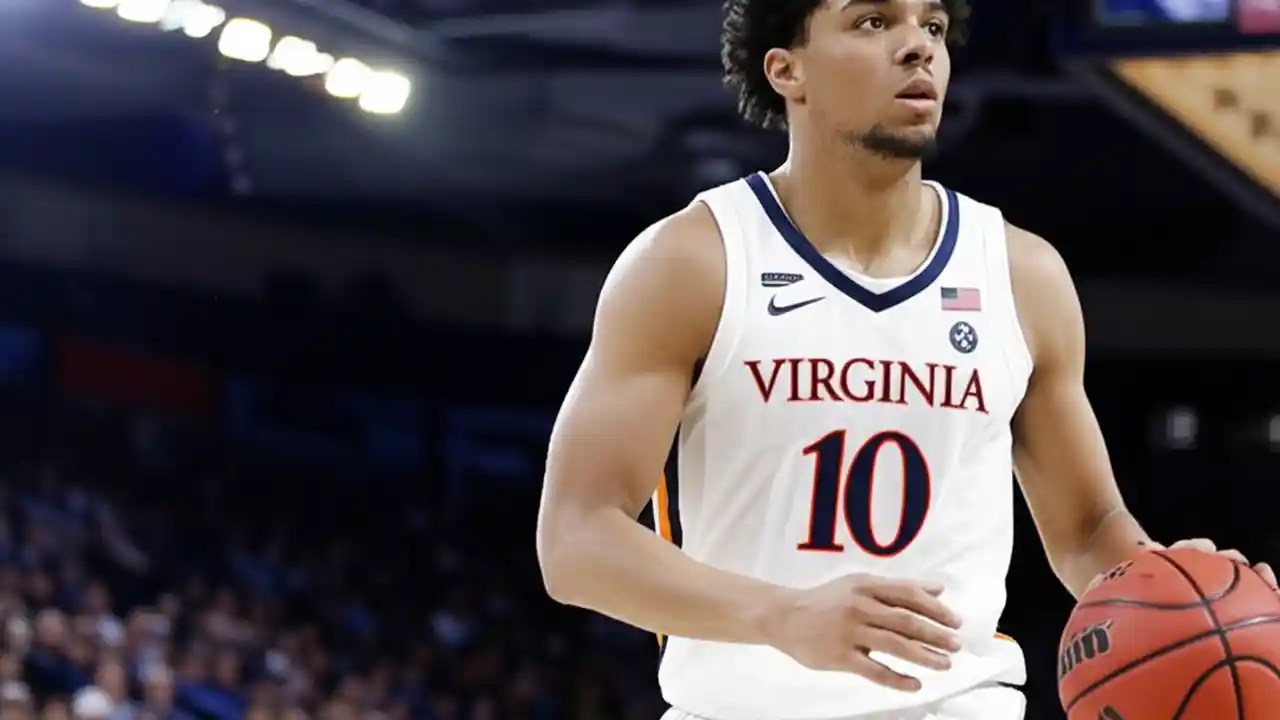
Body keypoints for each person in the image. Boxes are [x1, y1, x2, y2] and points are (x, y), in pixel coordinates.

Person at [535, 1, 1278, 719]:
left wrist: (1183, 593)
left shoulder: (1020, 273)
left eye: (933, 24)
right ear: (786, 69)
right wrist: (784, 615)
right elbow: (576, 540)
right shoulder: (694, 260)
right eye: (872, 21)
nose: (919, 45)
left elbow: (1088, 533)